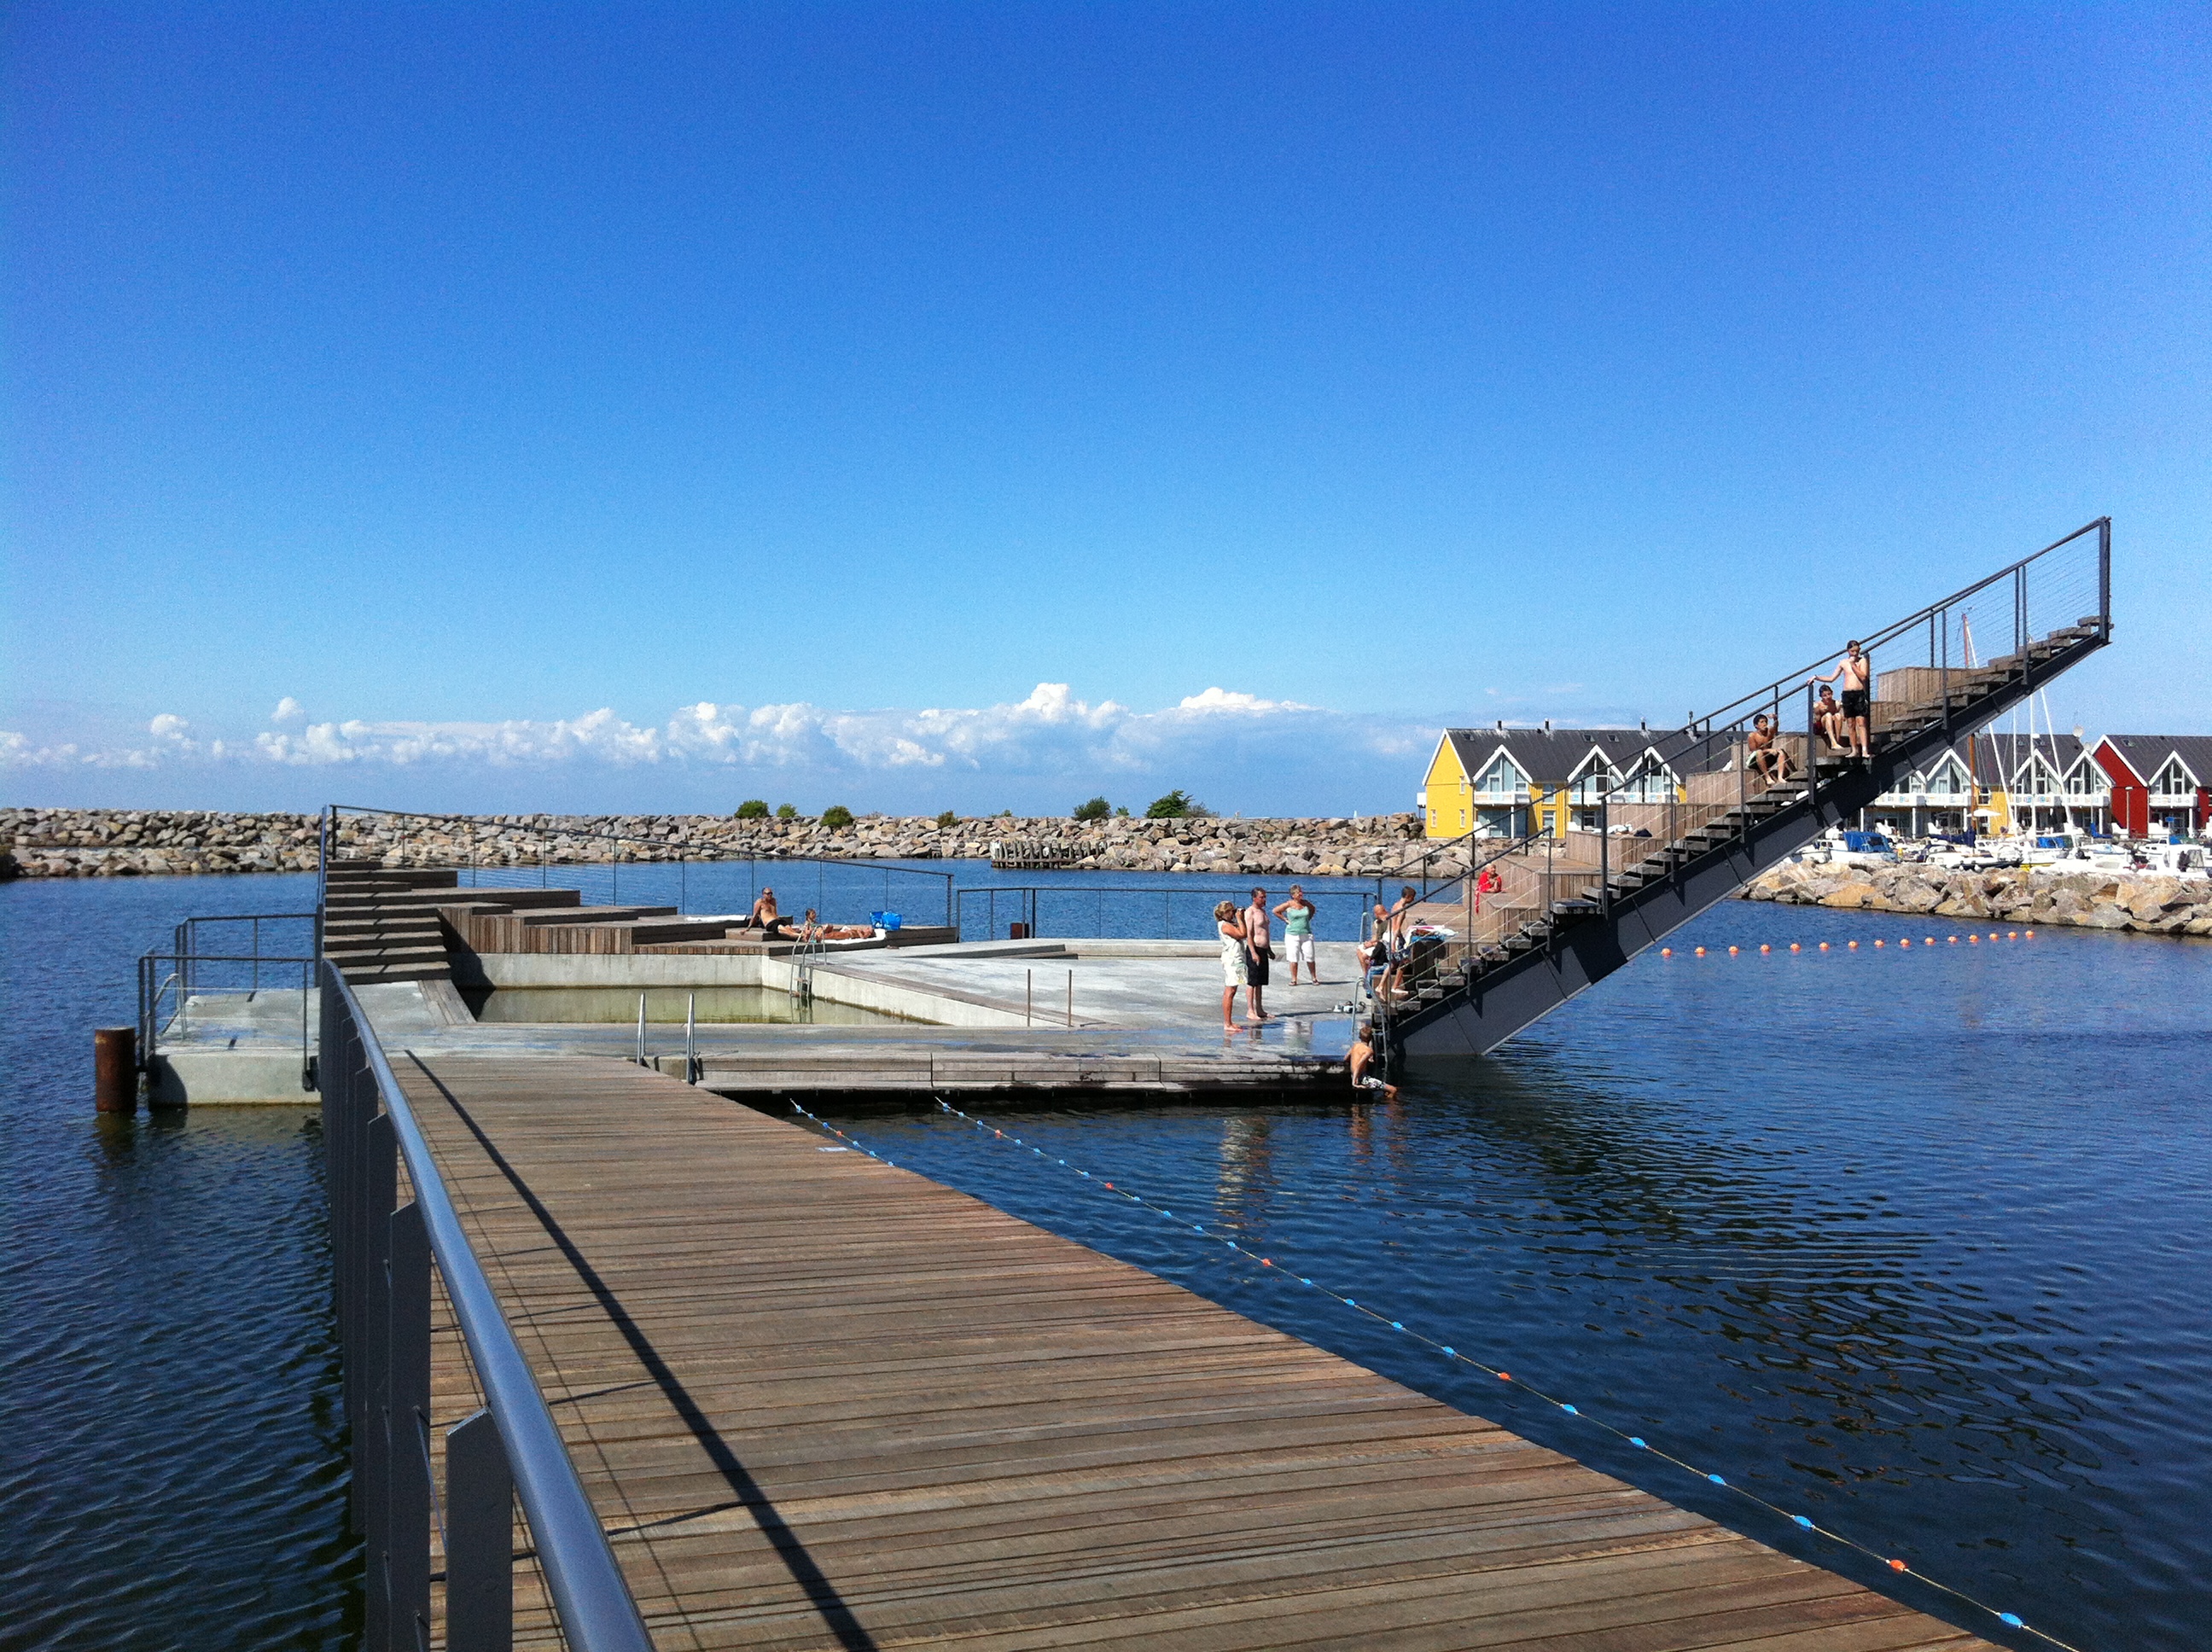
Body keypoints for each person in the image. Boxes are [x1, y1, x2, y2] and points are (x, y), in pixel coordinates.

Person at [1813, 642, 1873, 761]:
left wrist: (1854, 665)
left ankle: (1865, 750)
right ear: (1848, 651)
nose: (1855, 654)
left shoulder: (1862, 661)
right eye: (1852, 651)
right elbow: (1831, 678)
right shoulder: (1843, 662)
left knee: (1861, 722)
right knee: (1850, 723)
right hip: (1847, 694)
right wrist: (1816, 677)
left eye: (1857, 651)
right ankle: (1854, 749)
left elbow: (1863, 677)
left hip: (1859, 693)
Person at [1273, 884, 1318, 985]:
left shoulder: (1306, 904)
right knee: (1293, 957)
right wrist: (1285, 919)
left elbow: (1313, 909)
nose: (1301, 894)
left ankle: (1314, 977)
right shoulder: (1288, 904)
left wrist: (1307, 919)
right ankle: (1294, 979)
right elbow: (1276, 911)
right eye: (1298, 893)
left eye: (1301, 892)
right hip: (1292, 935)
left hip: (1306, 934)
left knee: (1310, 956)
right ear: (1293, 895)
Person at [1215, 899, 1249, 1029]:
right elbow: (1242, 934)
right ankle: (1227, 1023)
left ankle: (1228, 1022)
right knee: (1230, 990)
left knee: (1232, 990)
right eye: (1231, 912)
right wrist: (1240, 919)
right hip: (1232, 960)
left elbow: (1243, 931)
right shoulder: (1224, 925)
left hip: (1237, 959)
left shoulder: (1230, 924)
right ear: (1225, 913)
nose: (1233, 914)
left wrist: (1241, 919)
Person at [1241, 887, 1273, 1019]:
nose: (1264, 899)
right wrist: (1253, 952)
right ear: (1254, 898)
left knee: (1260, 982)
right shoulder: (1251, 912)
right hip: (1254, 949)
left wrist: (1269, 949)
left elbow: (1265, 931)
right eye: (1261, 897)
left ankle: (1259, 1009)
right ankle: (1250, 1010)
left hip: (1264, 949)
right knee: (1252, 982)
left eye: (1265, 897)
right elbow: (1249, 934)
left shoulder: (1263, 912)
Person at [1348, 1023, 1397, 1100]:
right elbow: (1359, 1065)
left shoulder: (1355, 1045)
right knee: (1393, 1090)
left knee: (1386, 1089)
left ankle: (1385, 1096)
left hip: (1355, 1075)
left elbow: (1346, 1058)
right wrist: (1354, 1082)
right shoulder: (1368, 1051)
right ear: (1371, 1038)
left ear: (1359, 1037)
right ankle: (1389, 1105)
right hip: (1362, 1078)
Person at [1747, 714, 1796, 783]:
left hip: (1766, 759)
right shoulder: (1752, 736)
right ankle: (1767, 777)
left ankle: (1780, 777)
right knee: (1759, 752)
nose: (1764, 724)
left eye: (1766, 722)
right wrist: (1768, 750)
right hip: (1754, 762)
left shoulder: (1769, 732)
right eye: (1762, 722)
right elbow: (1754, 751)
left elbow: (1775, 728)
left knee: (1780, 752)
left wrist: (1775, 719)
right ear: (1756, 725)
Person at [1813, 684, 1846, 753]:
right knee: (1828, 715)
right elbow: (1817, 720)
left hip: (1831, 724)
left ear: (1832, 693)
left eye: (1829, 694)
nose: (1828, 697)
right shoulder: (1818, 705)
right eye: (1825, 696)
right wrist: (1818, 710)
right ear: (1821, 697)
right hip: (1822, 727)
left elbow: (1838, 717)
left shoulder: (1836, 704)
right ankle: (1833, 743)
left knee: (1838, 715)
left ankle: (1837, 741)